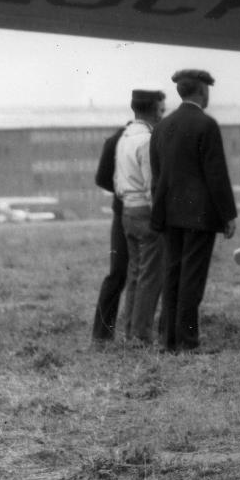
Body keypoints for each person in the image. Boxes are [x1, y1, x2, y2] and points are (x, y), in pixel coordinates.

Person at [150, 69, 237, 353]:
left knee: (172, 275)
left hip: (169, 214)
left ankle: (169, 340)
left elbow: (157, 175)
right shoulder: (206, 124)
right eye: (208, 89)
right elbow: (216, 174)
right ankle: (188, 342)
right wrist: (228, 214)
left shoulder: (162, 127)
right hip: (200, 216)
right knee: (192, 279)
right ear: (202, 91)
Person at [115, 88, 167, 344]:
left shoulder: (124, 136)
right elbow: (151, 184)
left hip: (127, 210)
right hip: (146, 212)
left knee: (135, 272)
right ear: (151, 111)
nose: (162, 115)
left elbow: (116, 182)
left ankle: (130, 331)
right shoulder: (147, 140)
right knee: (150, 275)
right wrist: (159, 214)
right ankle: (142, 333)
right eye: (161, 110)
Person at [89, 115, 131, 345]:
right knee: (119, 273)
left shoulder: (117, 138)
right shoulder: (117, 139)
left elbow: (102, 178)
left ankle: (105, 333)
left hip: (125, 211)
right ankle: (103, 333)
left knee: (121, 273)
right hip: (127, 211)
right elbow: (102, 177)